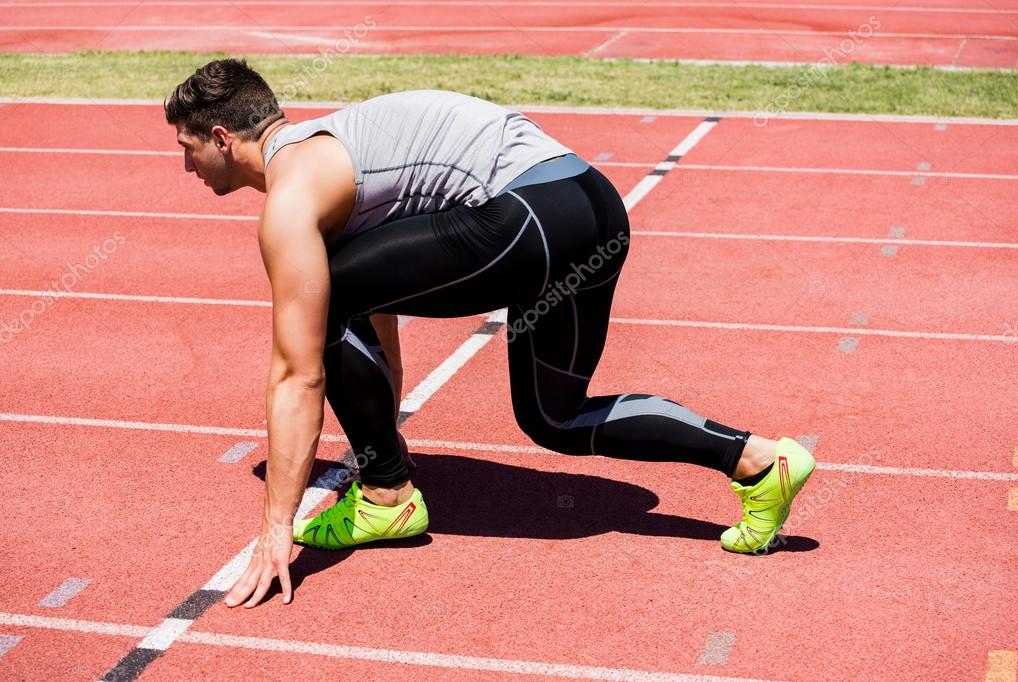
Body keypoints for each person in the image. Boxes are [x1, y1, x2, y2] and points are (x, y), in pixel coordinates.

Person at [165, 59, 815, 608]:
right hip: (589, 205)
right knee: (552, 418)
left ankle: (387, 498)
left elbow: (298, 370)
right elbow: (376, 320)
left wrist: (277, 526)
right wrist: (378, 432)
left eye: (184, 148)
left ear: (221, 138)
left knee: (320, 303)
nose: (184, 166)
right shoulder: (331, 153)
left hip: (529, 213)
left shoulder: (292, 197)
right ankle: (758, 462)